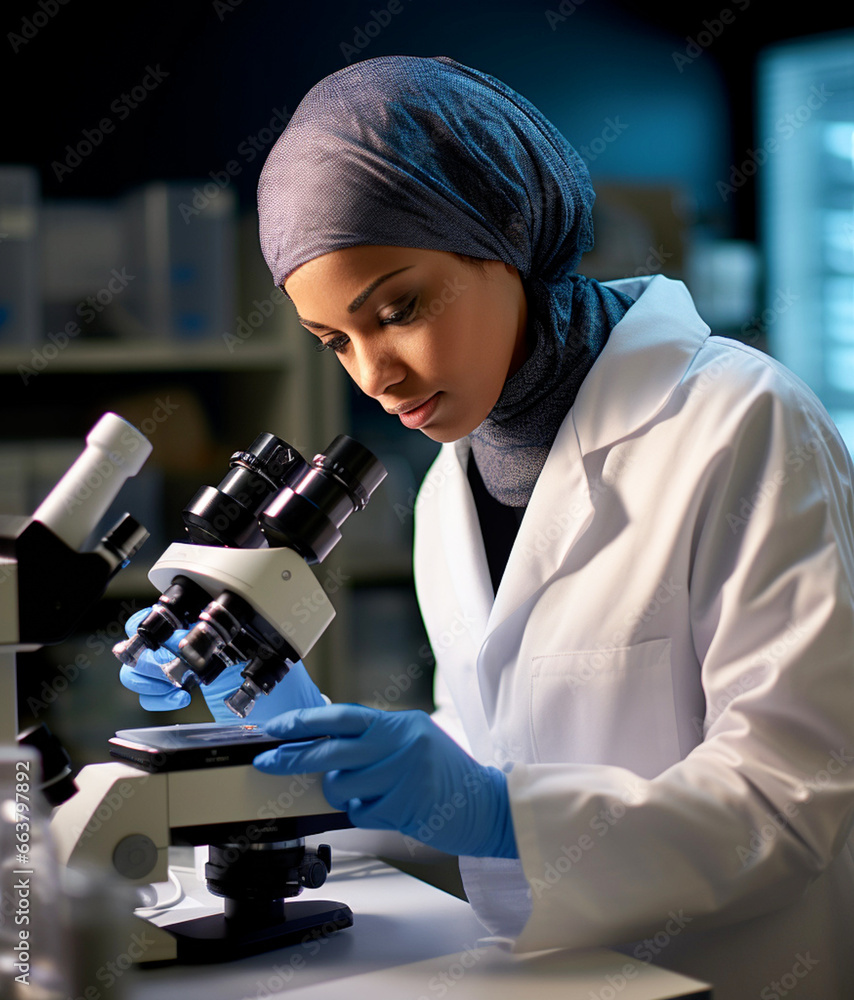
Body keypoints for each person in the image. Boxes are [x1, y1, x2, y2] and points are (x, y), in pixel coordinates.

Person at [120, 56, 854, 998]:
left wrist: (500, 812)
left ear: (506, 232)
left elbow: (791, 800)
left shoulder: (741, 421)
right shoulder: (453, 483)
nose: (373, 377)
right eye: (334, 341)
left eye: (399, 309)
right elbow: (495, 748)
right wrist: (294, 728)